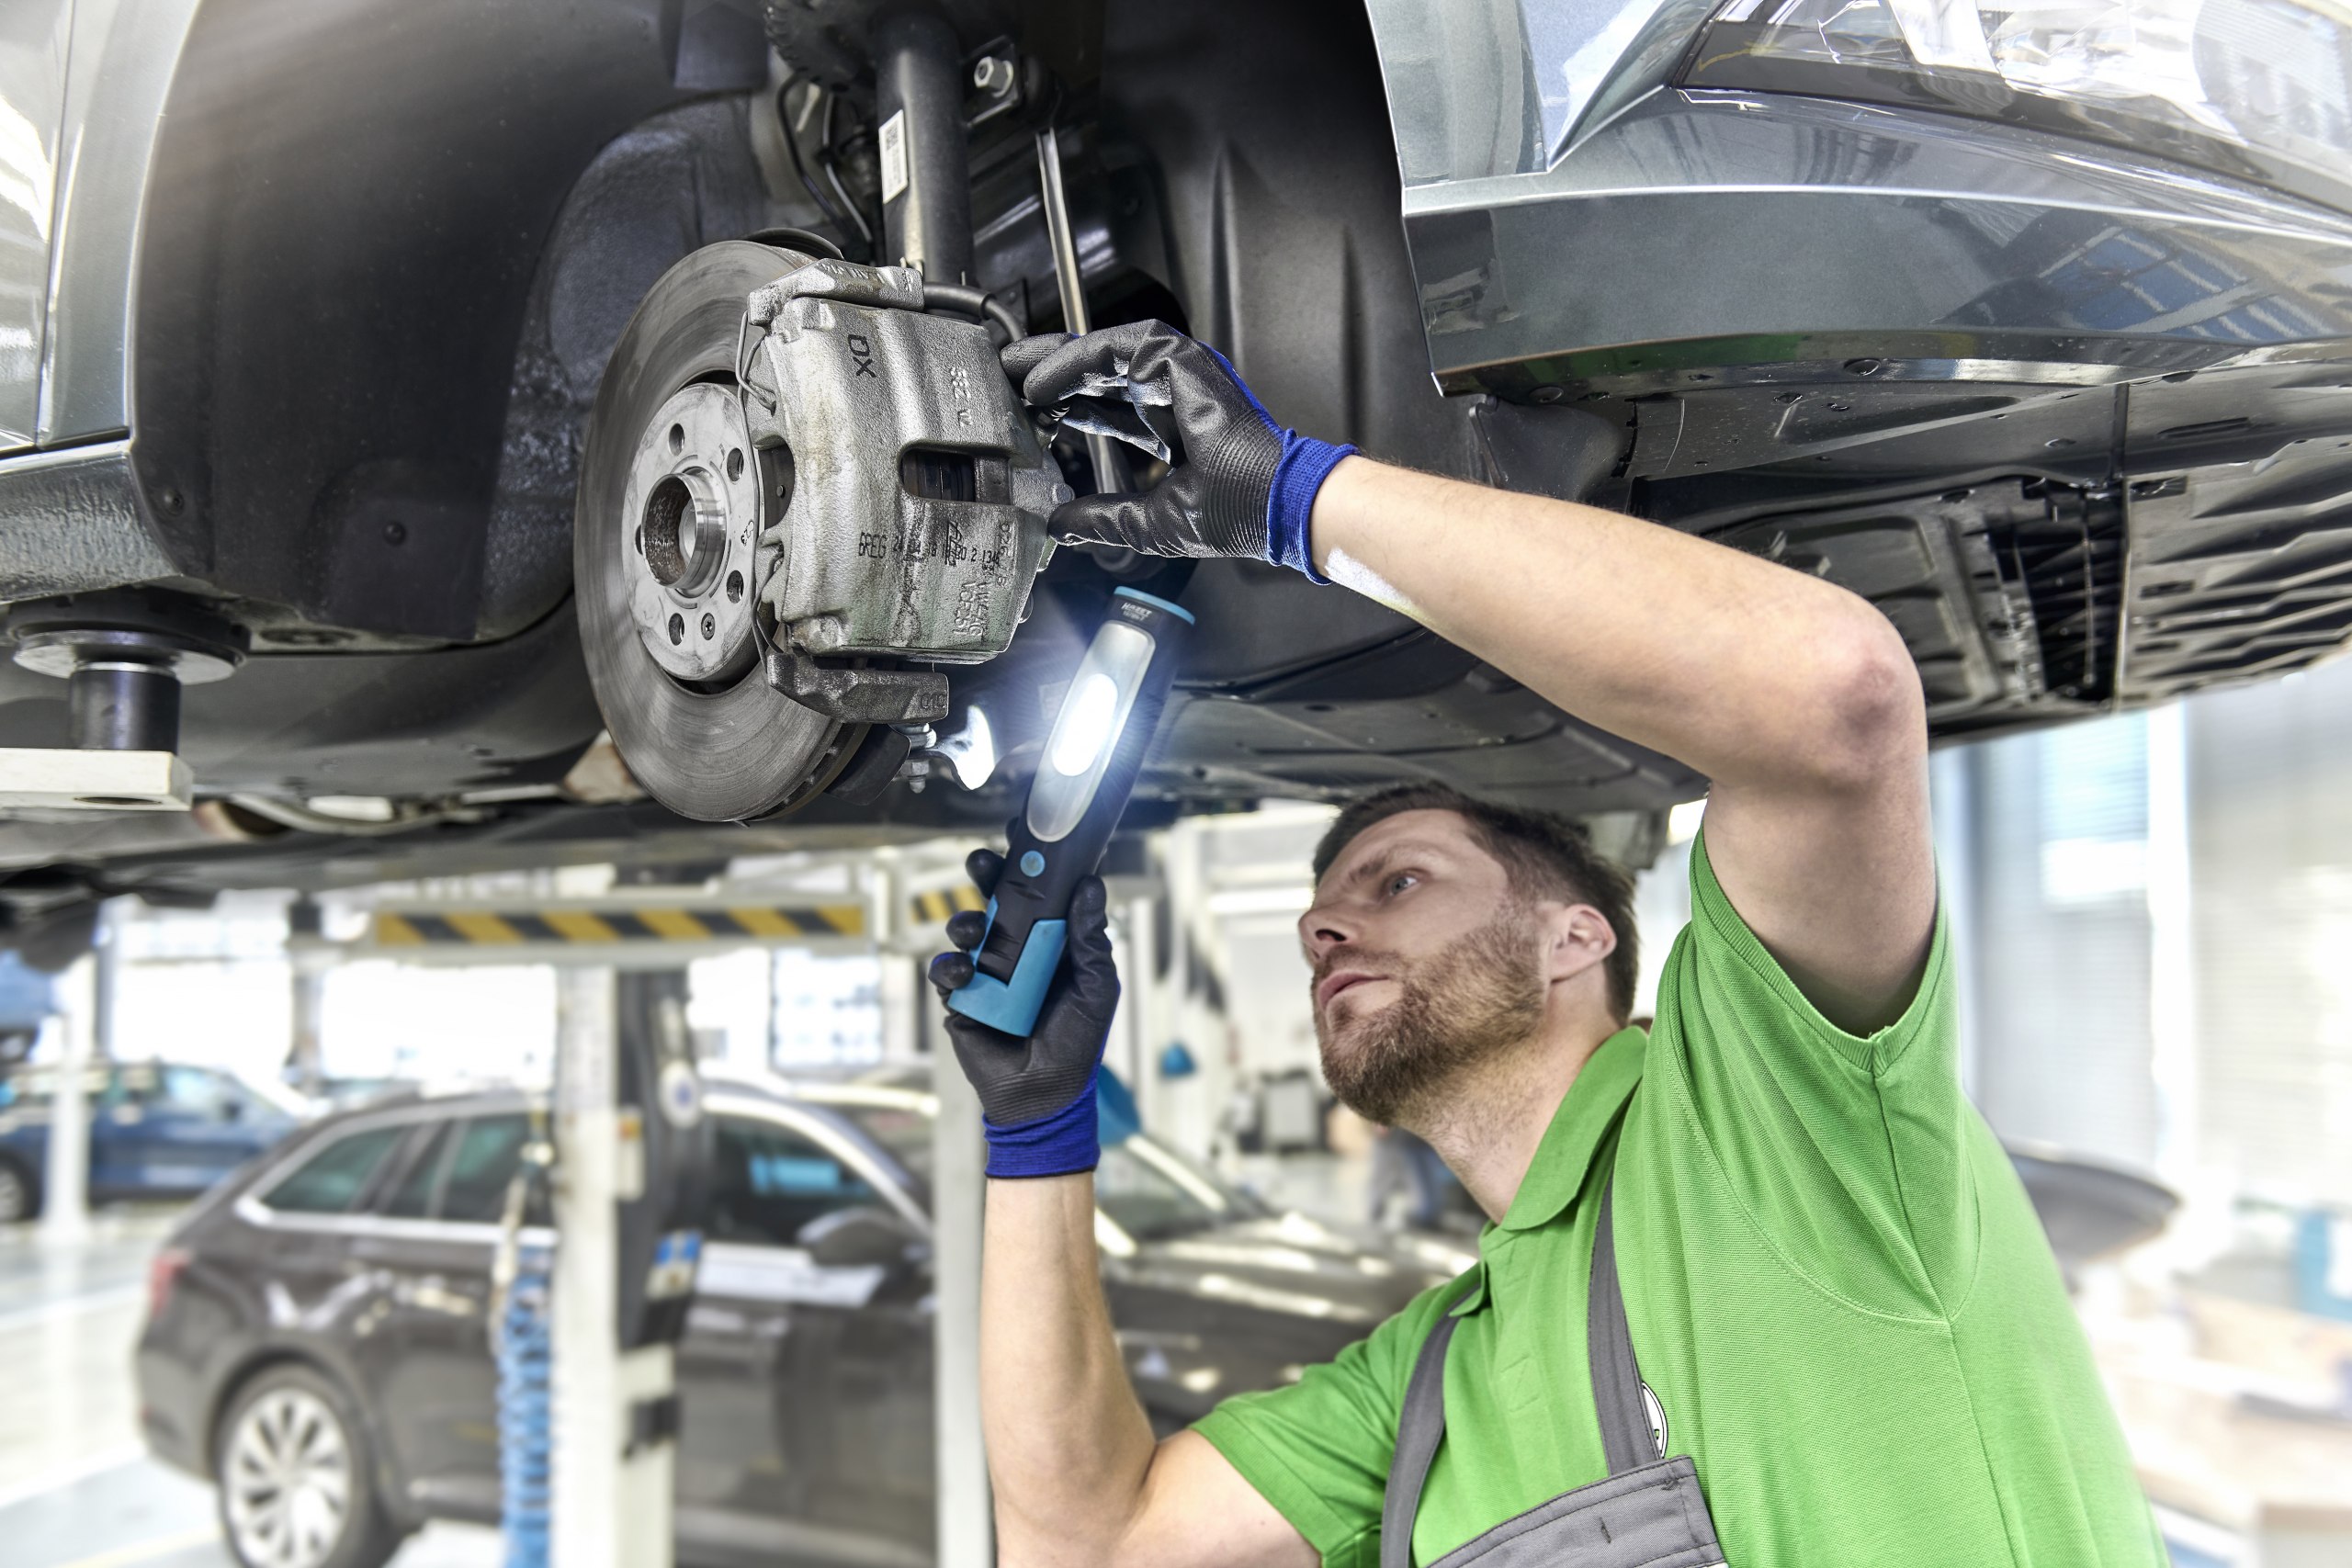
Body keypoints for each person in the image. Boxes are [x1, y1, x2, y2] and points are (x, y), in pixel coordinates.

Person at [929, 321, 2163, 1568]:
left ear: (1578, 934)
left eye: (1398, 878)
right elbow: (1089, 1542)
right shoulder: (1429, 1384)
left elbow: (1830, 695)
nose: (1323, 925)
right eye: (1322, 916)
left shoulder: (1773, 1120)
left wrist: (1291, 499)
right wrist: (1038, 1129)